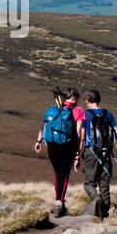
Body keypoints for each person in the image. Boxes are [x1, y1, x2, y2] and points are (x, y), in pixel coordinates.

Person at [75, 89, 117, 219]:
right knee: (104, 184)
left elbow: (82, 138)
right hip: (106, 154)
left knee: (89, 184)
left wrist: (77, 156)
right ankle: (104, 216)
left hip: (90, 153)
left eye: (85, 101)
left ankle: (95, 198)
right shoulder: (108, 114)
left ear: (88, 100)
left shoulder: (86, 115)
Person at [34, 87, 79, 216]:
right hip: (67, 145)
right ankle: (59, 202)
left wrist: (38, 142)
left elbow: (44, 126)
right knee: (64, 175)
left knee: (57, 173)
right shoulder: (75, 110)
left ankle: (59, 201)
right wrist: (77, 151)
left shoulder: (52, 111)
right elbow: (79, 132)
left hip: (51, 145)